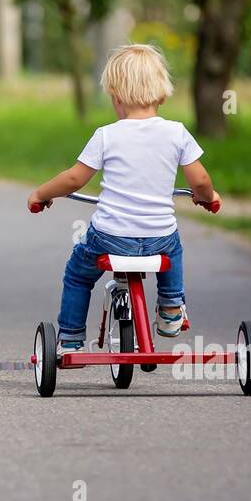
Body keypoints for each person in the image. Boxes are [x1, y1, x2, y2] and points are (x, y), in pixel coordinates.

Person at [28, 43, 219, 350]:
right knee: (174, 247)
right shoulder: (177, 133)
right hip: (158, 238)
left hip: (111, 236)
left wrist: (41, 194)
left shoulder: (107, 135)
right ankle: (171, 308)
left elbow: (75, 179)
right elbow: (201, 180)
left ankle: (71, 338)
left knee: (78, 273)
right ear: (163, 94)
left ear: (115, 96)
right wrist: (206, 197)